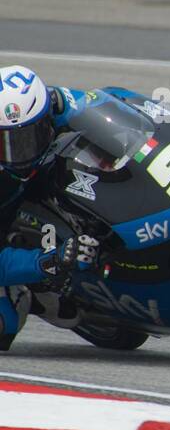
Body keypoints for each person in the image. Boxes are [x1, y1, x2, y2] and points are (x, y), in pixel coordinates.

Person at [0, 65, 98, 350]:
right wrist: (51, 261)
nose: (18, 153)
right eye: (4, 143)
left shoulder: (57, 102)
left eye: (26, 138)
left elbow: (110, 104)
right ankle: (33, 295)